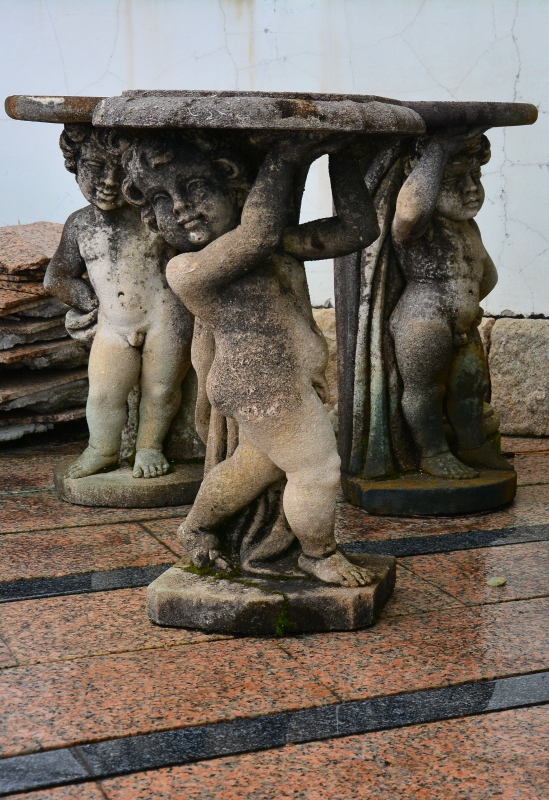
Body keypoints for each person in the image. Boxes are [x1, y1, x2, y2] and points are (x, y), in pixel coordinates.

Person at [123, 132, 379, 586]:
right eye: (163, 198)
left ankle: (198, 526)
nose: (181, 207)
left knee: (253, 467)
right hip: (261, 382)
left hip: (276, 381)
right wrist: (288, 152)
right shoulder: (187, 270)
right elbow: (257, 234)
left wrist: (346, 160)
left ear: (234, 187)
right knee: (317, 468)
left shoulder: (275, 246)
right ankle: (318, 554)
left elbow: (359, 230)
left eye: (197, 188)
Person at [44, 124, 191, 480]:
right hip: (112, 322)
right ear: (75, 165)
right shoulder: (80, 224)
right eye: (95, 169)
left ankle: (149, 447)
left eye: (121, 170)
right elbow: (56, 277)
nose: (109, 182)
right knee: (104, 393)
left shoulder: (155, 215)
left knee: (161, 388)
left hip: (166, 315)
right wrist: (83, 298)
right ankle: (102, 449)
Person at [387, 129, 511, 479]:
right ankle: (433, 452)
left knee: (470, 388)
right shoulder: (417, 225)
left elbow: (483, 274)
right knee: (425, 390)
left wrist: (469, 309)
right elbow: (410, 213)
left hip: (462, 323)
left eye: (476, 176)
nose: (471, 188)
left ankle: (472, 445)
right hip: (425, 318)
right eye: (455, 180)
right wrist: (438, 153)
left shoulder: (468, 226)